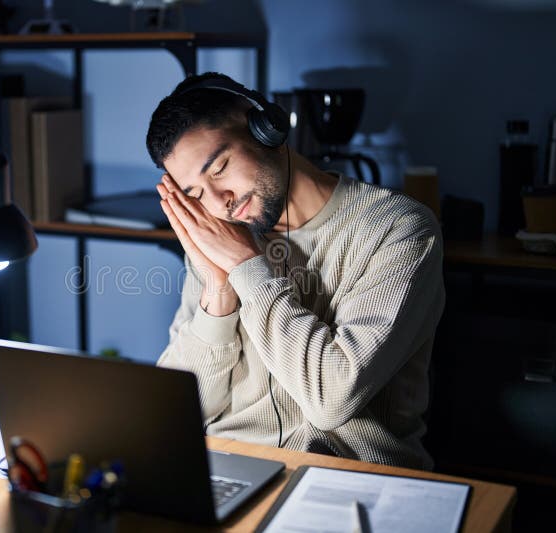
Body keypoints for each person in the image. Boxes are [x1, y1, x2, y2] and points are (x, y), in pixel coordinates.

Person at [146, 72, 444, 469]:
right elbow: (176, 409)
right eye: (196, 194)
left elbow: (331, 400)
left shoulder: (398, 229)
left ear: (265, 129)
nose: (220, 203)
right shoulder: (216, 237)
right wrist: (217, 297)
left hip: (348, 476)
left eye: (220, 168)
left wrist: (247, 268)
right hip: (231, 466)